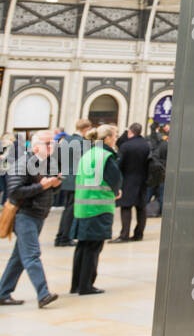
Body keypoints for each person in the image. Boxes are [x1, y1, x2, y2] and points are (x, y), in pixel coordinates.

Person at [0, 130, 61, 308]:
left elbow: (48, 189)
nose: (52, 147)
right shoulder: (23, 164)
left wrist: (54, 186)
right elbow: (14, 192)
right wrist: (41, 186)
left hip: (38, 215)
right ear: (35, 147)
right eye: (47, 143)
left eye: (53, 143)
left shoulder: (46, 163)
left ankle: (3, 293)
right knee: (32, 255)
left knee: (19, 258)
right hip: (25, 215)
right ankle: (43, 294)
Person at [70, 125, 122, 296]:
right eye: (114, 136)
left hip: (83, 206)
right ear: (107, 138)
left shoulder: (89, 153)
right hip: (98, 207)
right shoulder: (105, 156)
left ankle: (76, 284)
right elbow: (115, 179)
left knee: (83, 247)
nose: (116, 139)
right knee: (93, 248)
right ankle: (86, 285)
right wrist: (116, 192)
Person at [52, 119, 92, 247]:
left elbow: (57, 158)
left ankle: (60, 236)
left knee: (67, 208)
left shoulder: (66, 141)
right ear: (86, 129)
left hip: (66, 178)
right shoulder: (82, 143)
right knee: (71, 210)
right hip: (76, 179)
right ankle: (65, 237)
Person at [113, 123, 151, 242]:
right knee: (141, 208)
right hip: (143, 180)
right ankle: (139, 234)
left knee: (126, 207)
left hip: (128, 180)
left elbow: (119, 164)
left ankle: (124, 235)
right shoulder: (147, 145)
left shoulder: (126, 146)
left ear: (130, 132)